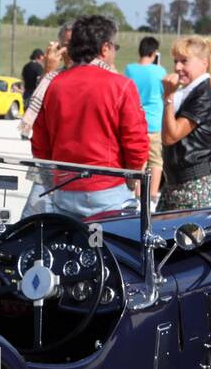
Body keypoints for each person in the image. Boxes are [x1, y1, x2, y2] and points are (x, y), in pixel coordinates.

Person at [30, 15, 149, 219]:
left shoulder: (54, 85)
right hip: (108, 189)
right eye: (114, 47)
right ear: (104, 48)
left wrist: (53, 180)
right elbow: (136, 143)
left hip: (64, 188)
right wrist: (133, 175)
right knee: (110, 248)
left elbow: (40, 143)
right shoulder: (121, 85)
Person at [158, 35, 211, 211]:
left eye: (184, 61)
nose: (178, 67)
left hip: (194, 188)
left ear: (204, 63)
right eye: (176, 61)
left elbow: (170, 136)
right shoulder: (189, 93)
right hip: (175, 185)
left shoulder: (203, 96)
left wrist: (168, 97)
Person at [124, 36, 166, 207]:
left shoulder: (129, 69)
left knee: (139, 160)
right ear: (154, 53)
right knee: (156, 161)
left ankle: (138, 195)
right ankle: (153, 196)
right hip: (155, 122)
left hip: (135, 121)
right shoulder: (159, 71)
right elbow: (165, 91)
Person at [19, 22, 72, 139]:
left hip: (29, 91)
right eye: (68, 45)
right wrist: (48, 72)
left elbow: (23, 78)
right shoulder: (44, 69)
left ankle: (25, 132)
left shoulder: (26, 66)